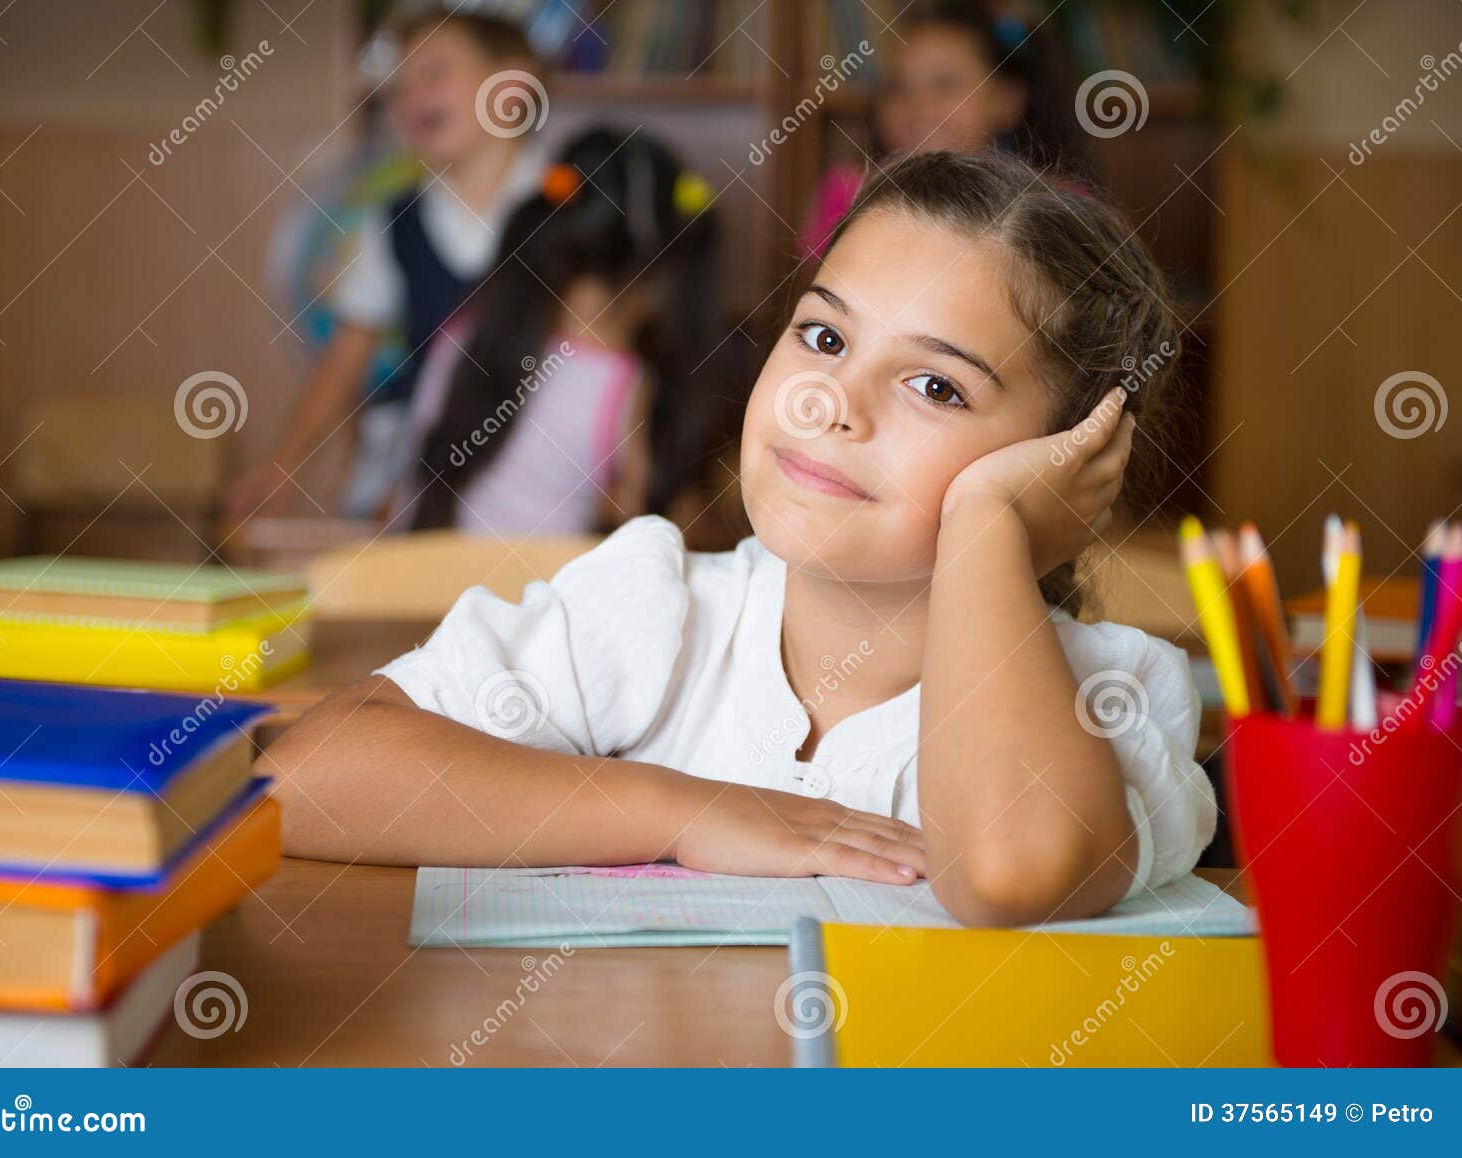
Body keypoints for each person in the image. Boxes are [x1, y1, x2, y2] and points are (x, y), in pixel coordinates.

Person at [264, 149, 1214, 928]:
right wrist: (683, 810)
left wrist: (987, 525)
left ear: (1068, 466)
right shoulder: (658, 611)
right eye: (826, 338)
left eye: (936, 386)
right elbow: (302, 776)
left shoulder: (1108, 701)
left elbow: (1007, 874)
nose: (830, 401)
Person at [225, 11, 547, 520]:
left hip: (536, 466)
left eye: (434, 73)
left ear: (512, 86)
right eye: (399, 86)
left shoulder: (568, 210)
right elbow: (346, 356)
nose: (411, 97)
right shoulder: (394, 221)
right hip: (421, 473)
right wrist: (281, 468)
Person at [389, 127, 721, 535]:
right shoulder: (624, 383)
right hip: (538, 594)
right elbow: (650, 533)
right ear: (656, 268)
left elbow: (408, 488)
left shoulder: (462, 338)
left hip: (416, 584)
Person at [799, 2, 1086, 259]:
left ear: (1005, 101)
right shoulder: (849, 193)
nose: (919, 105)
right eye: (898, 86)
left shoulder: (1057, 205)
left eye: (944, 84)